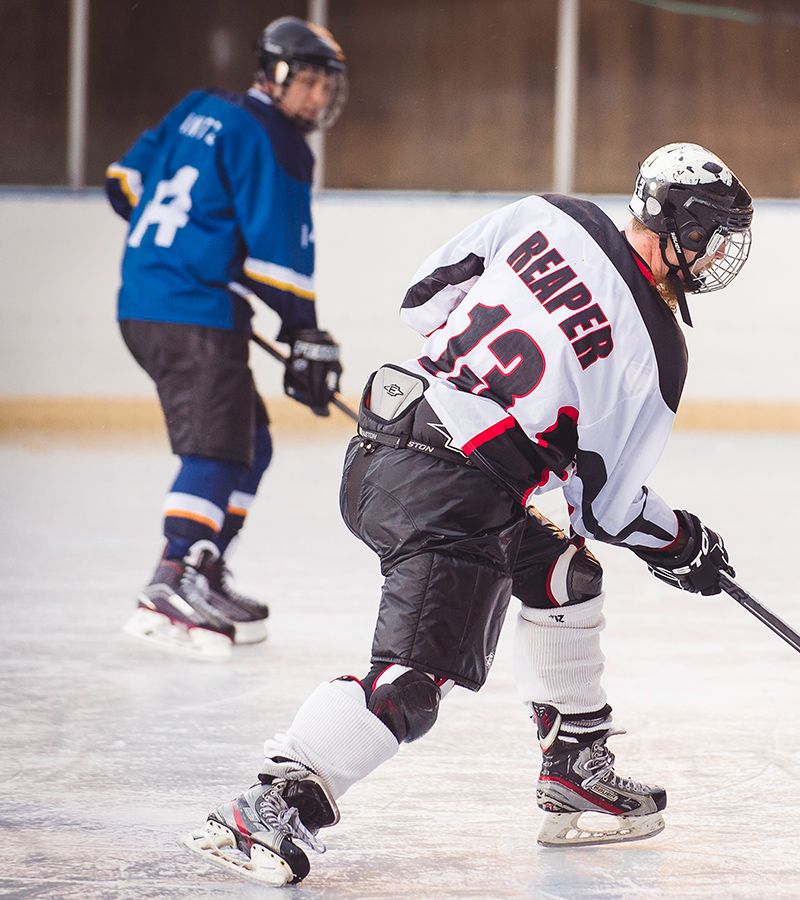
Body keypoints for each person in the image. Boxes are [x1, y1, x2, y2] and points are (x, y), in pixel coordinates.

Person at [180, 142, 753, 886]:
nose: (719, 258)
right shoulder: (656, 352)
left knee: (563, 576)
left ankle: (573, 764)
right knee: (412, 683)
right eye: (717, 238)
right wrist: (681, 542)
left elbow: (421, 301)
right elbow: (607, 509)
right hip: (455, 496)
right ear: (688, 228)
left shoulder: (550, 214)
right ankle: (267, 806)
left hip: (386, 441)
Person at [107, 17, 349, 661]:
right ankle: (170, 581)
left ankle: (203, 567)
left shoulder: (199, 107)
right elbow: (278, 259)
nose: (318, 99)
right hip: (194, 312)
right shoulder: (279, 140)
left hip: (146, 300)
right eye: (308, 83)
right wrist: (305, 334)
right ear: (273, 74)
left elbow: (123, 186)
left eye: (327, 87)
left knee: (250, 441)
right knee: (217, 446)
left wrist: (188, 245)